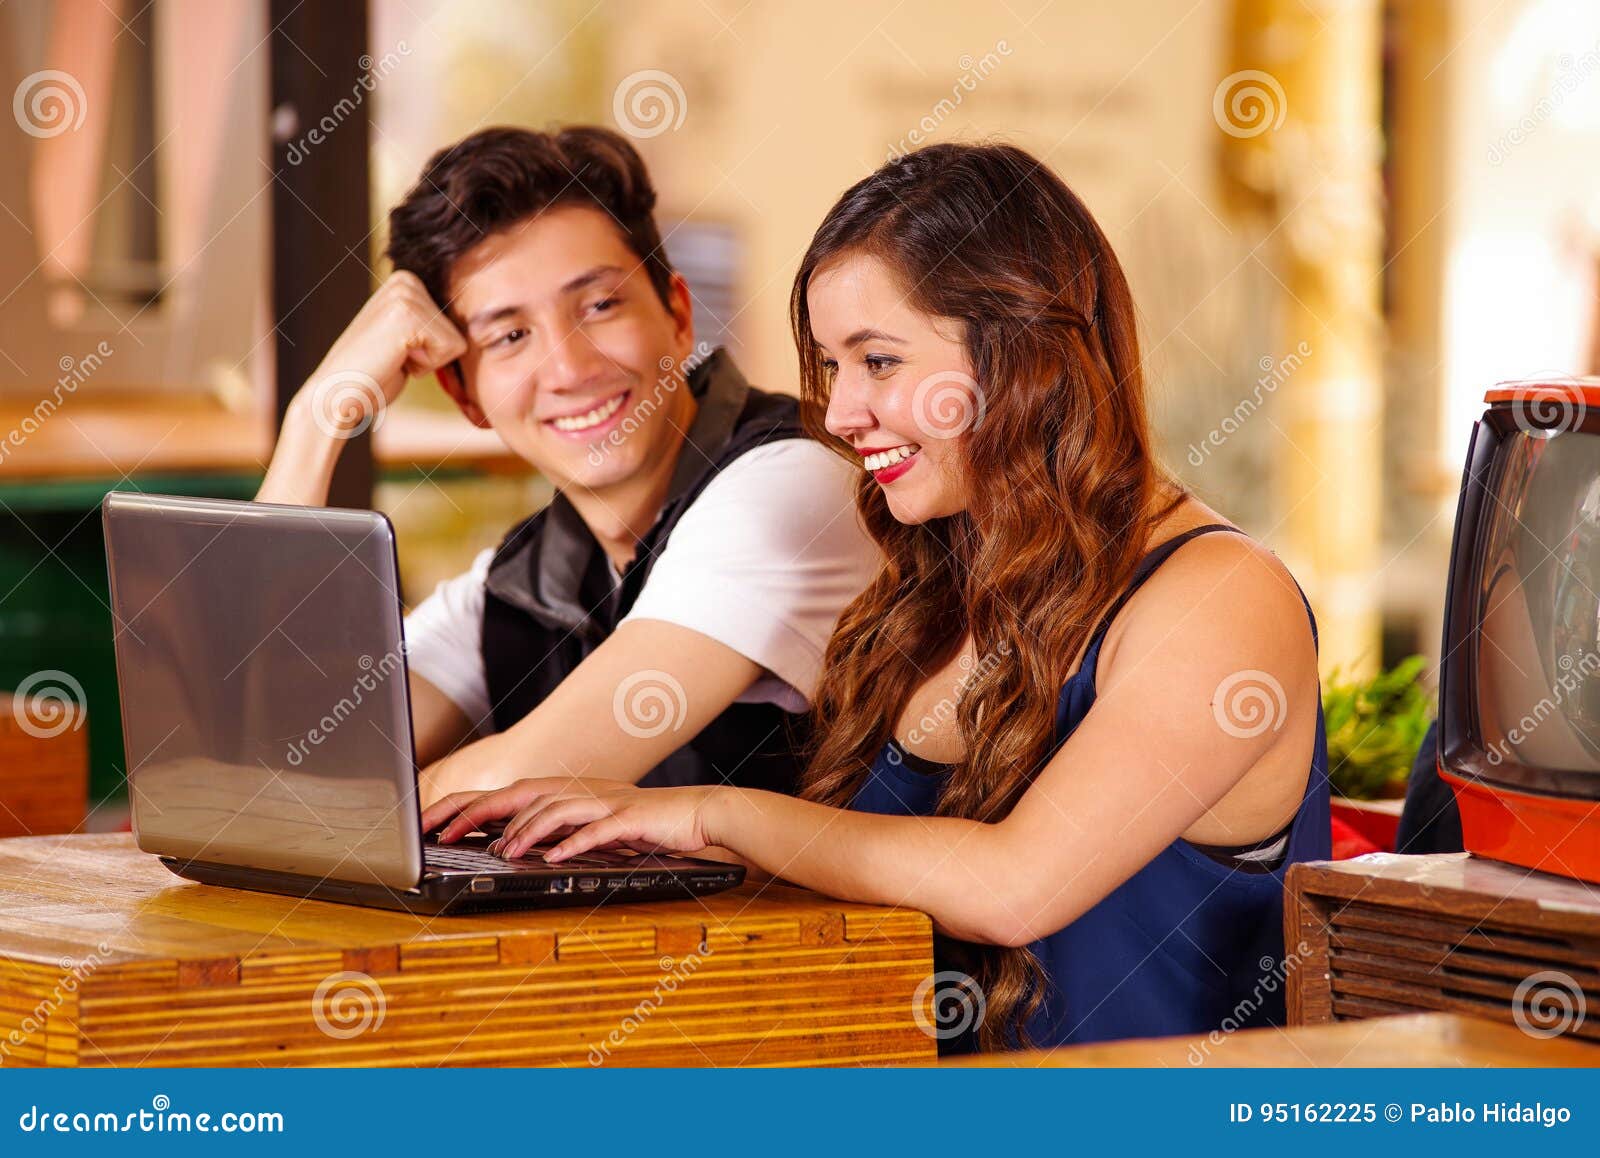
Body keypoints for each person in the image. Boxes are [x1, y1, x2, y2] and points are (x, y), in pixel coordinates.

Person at [423, 142, 1332, 1052]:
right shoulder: (928, 586)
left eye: (881, 361)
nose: (841, 413)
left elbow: (1014, 889)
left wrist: (712, 814)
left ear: (1024, 350)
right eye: (833, 365)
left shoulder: (1219, 599)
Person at [256, 126, 878, 804]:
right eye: (510, 335)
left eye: (600, 305)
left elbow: (520, 781)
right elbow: (280, 750)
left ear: (678, 315)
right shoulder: (526, 577)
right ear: (465, 395)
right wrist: (315, 418)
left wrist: (316, 803)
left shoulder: (792, 487)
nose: (569, 368)